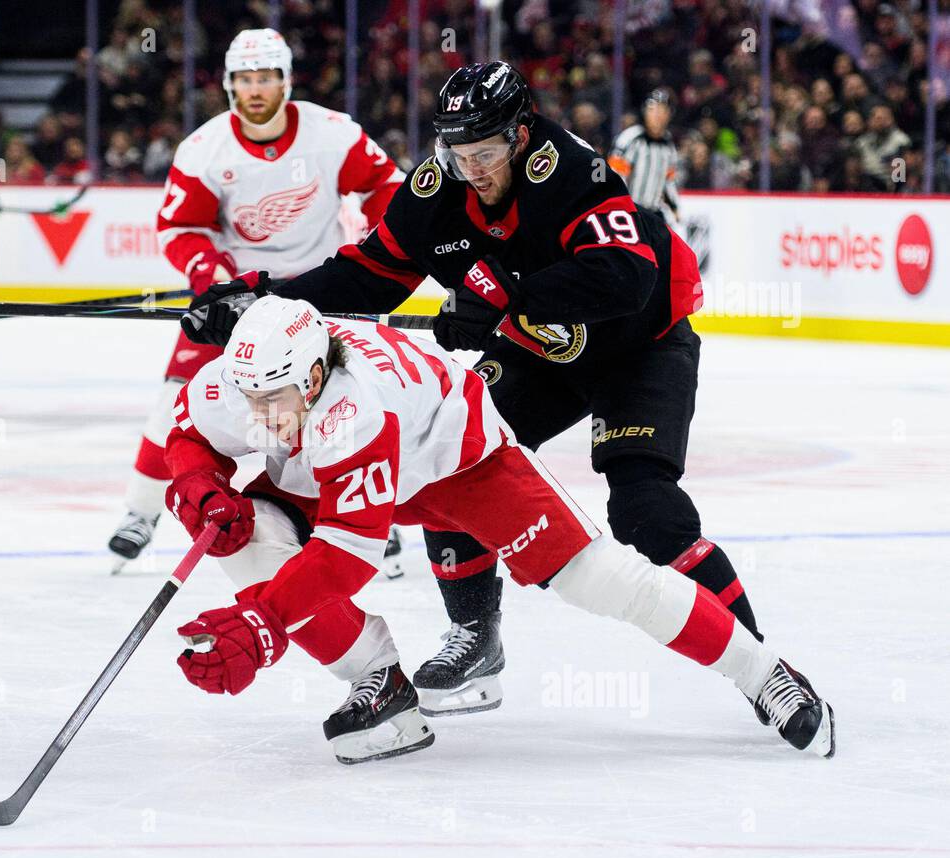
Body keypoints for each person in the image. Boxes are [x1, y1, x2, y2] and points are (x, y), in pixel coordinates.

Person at [181, 62, 775, 729]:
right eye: (459, 155)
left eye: (486, 154)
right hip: (540, 354)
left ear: (522, 134)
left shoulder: (574, 174)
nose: (474, 170)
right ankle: (477, 637)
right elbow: (370, 277)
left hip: (639, 350)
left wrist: (501, 301)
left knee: (646, 511)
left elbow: (626, 279)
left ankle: (758, 663)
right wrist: (262, 295)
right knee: (449, 447)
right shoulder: (439, 189)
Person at [168, 296, 834, 763]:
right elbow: (189, 434)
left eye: (272, 400)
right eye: (249, 398)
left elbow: (345, 554)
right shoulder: (253, 380)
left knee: (603, 581)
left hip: (464, 464)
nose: (259, 413)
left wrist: (261, 625)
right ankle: (383, 690)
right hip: (344, 468)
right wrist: (201, 487)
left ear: (314, 376)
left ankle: (763, 671)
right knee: (246, 534)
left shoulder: (352, 410)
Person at [105, 27, 404, 568]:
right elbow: (181, 227)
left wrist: (375, 253)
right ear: (228, 85)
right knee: (176, 404)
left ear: (285, 80)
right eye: (245, 79)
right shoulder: (203, 149)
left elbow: (389, 191)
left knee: (347, 405)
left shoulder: (333, 133)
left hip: (323, 293)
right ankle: (141, 512)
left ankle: (374, 520)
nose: (255, 90)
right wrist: (213, 280)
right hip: (237, 300)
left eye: (266, 77)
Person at [609, 88, 681, 225]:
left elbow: (669, 182)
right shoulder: (629, 139)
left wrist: (675, 208)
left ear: (669, 115)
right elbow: (616, 177)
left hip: (653, 213)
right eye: (652, 109)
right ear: (645, 112)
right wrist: (622, 208)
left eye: (662, 110)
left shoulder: (669, 145)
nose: (657, 115)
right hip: (628, 212)